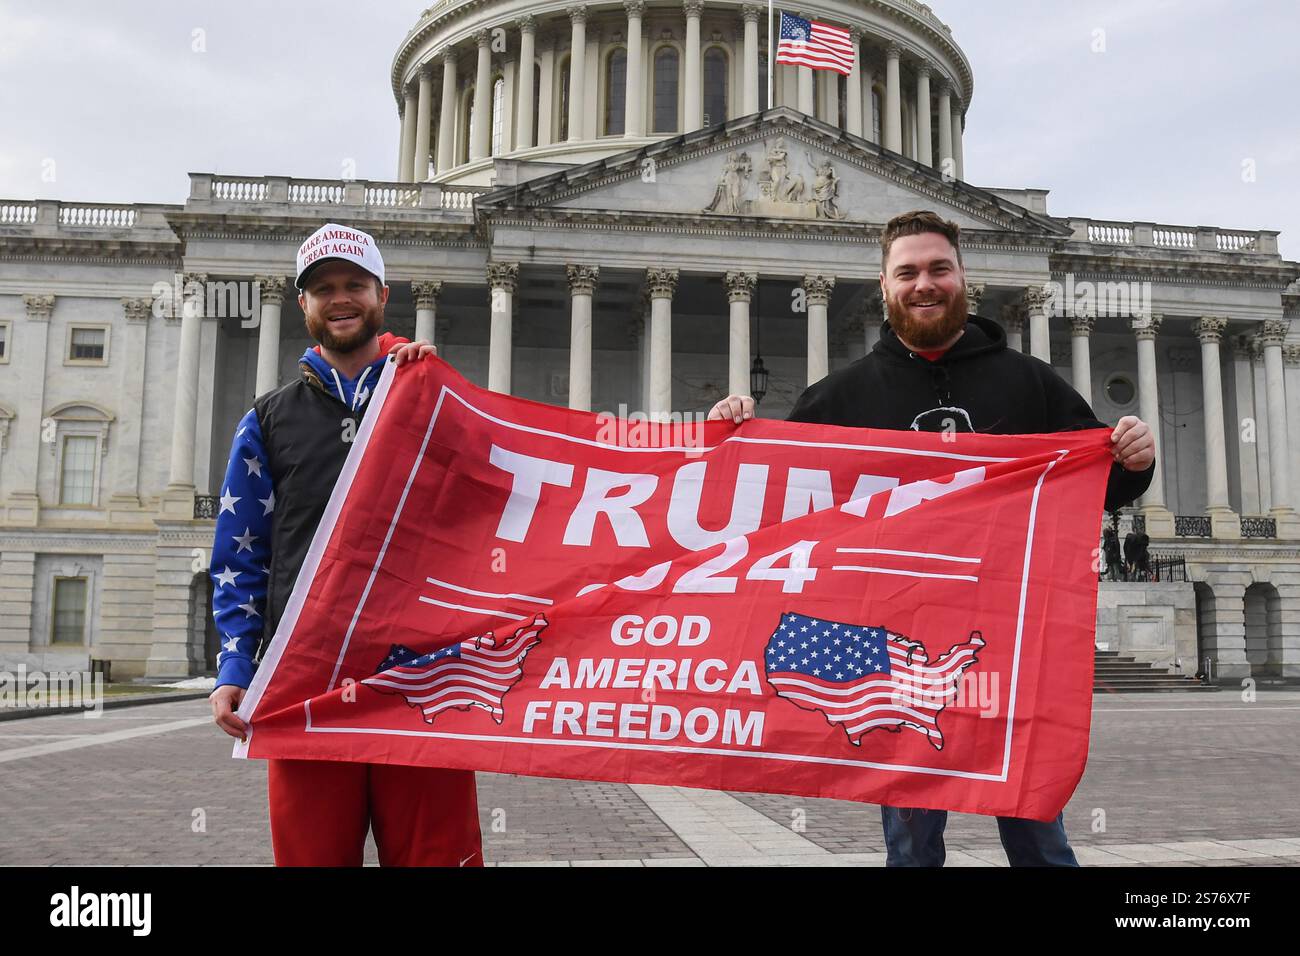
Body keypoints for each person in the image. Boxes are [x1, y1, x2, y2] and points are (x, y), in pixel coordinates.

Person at [707, 210, 1156, 867]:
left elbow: (1094, 486)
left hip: (1012, 643)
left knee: (1038, 831)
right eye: (908, 272)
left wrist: (1134, 462)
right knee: (912, 843)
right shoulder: (842, 396)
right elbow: (773, 500)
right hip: (899, 646)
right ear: (884, 286)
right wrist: (731, 440)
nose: (925, 284)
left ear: (962, 277)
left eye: (939, 269)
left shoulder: (1030, 381)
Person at [207, 223, 482, 867]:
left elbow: (542, 487)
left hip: (422, 677)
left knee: (436, 858)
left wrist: (699, 445)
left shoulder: (434, 398)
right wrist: (235, 666)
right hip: (305, 681)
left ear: (382, 294)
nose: (340, 299)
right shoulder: (268, 420)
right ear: (301, 304)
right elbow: (241, 557)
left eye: (354, 285)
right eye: (323, 288)